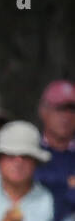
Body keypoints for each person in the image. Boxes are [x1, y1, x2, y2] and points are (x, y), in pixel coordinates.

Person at [35, 80, 75, 210]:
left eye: (72, 109)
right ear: (43, 111)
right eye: (60, 108)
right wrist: (66, 183)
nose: (66, 116)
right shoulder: (31, 150)